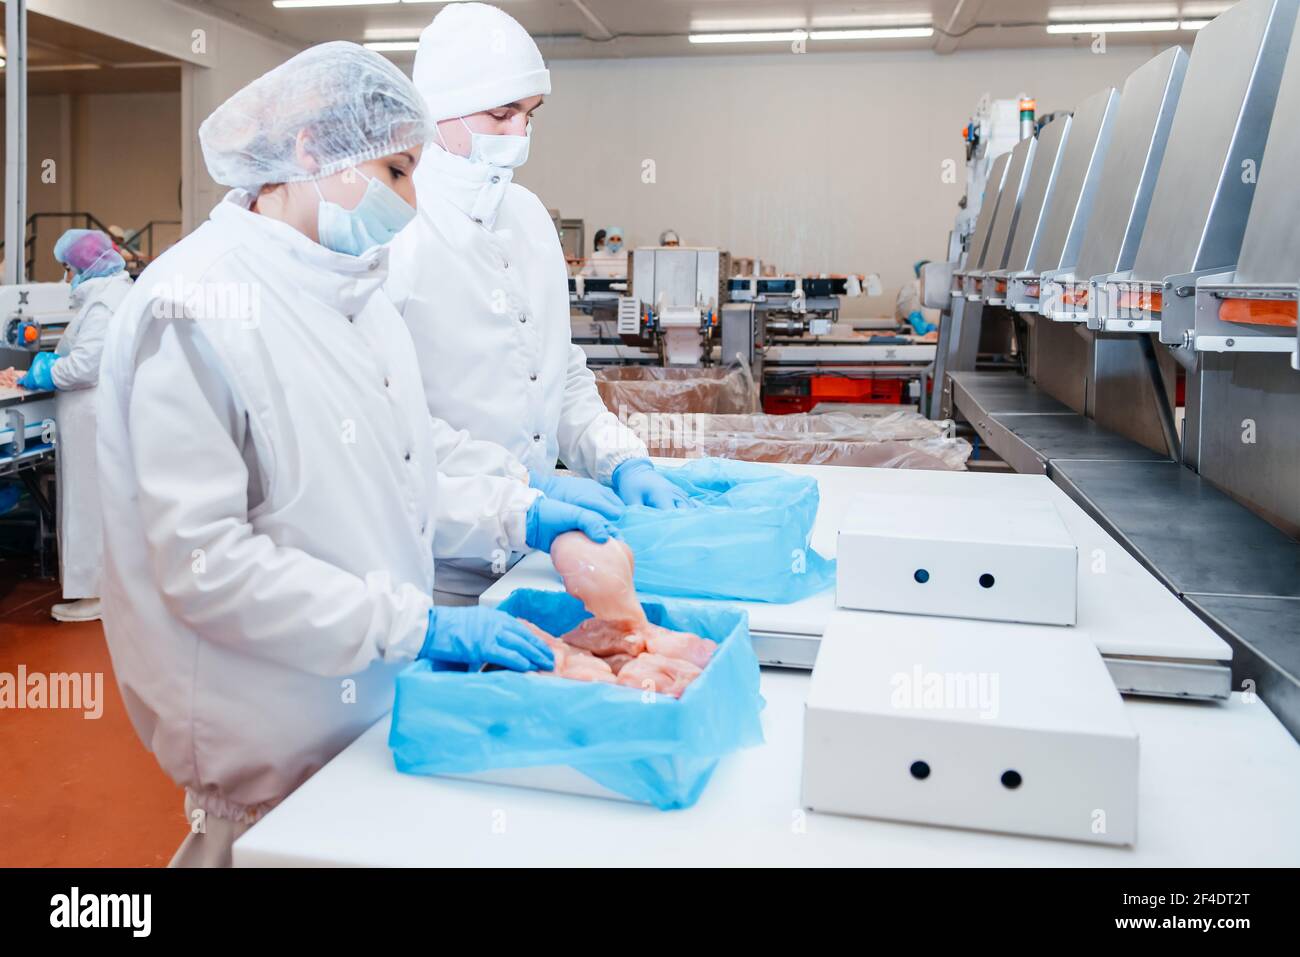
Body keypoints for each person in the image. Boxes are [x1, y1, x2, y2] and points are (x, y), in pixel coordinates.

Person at [95, 41, 614, 868]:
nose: (410, 203)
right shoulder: (194, 306)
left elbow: (405, 464)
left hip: (368, 724)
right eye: (398, 172)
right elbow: (207, 566)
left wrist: (517, 511)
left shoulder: (354, 288)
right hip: (266, 757)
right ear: (310, 151)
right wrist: (415, 623)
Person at [388, 3, 689, 604]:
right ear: (436, 110)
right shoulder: (397, 229)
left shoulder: (527, 216)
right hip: (435, 569)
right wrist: (520, 489)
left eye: (529, 114)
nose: (519, 133)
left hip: (541, 555)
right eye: (501, 114)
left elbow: (558, 373)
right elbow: (392, 424)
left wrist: (620, 461)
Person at [15, 230, 133, 621]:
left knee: (87, 503)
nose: (67, 278)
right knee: (98, 502)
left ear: (83, 267)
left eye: (67, 269)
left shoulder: (104, 304)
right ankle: (104, 589)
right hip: (97, 416)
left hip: (92, 417)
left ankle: (95, 594)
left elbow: (85, 366)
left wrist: (44, 372)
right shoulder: (112, 296)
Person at [895, 258, 937, 335]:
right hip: (917, 334)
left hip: (936, 334)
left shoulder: (939, 286)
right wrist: (925, 327)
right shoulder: (912, 286)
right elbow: (909, 313)